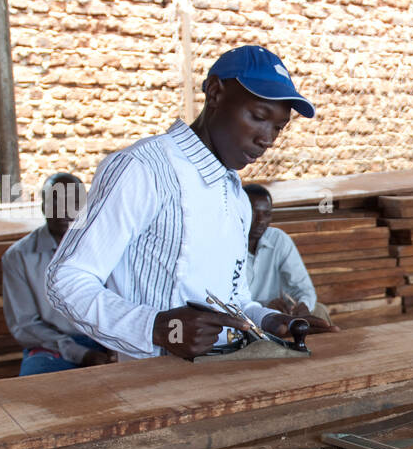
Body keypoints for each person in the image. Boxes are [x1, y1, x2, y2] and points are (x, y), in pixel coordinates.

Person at [47, 46, 332, 359]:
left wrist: (270, 320)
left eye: (278, 128)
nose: (267, 139)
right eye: (258, 117)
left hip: (221, 376)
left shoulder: (235, 195)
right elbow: (67, 280)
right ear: (214, 92)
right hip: (153, 385)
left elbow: (232, 299)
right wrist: (156, 328)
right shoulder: (144, 169)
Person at [2, 172, 115, 376]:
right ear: (43, 206)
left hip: (110, 340)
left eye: (73, 201)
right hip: (52, 344)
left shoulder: (108, 247)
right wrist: (81, 354)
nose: (64, 209)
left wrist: (116, 344)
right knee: (36, 389)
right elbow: (25, 325)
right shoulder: (19, 257)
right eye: (55, 200)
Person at [242, 183, 326, 324]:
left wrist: (303, 305)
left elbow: (303, 287)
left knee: (319, 311)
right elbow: (227, 302)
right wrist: (264, 307)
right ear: (240, 212)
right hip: (243, 319)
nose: (261, 220)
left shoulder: (278, 240)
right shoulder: (226, 244)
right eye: (254, 213)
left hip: (277, 315)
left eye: (267, 214)